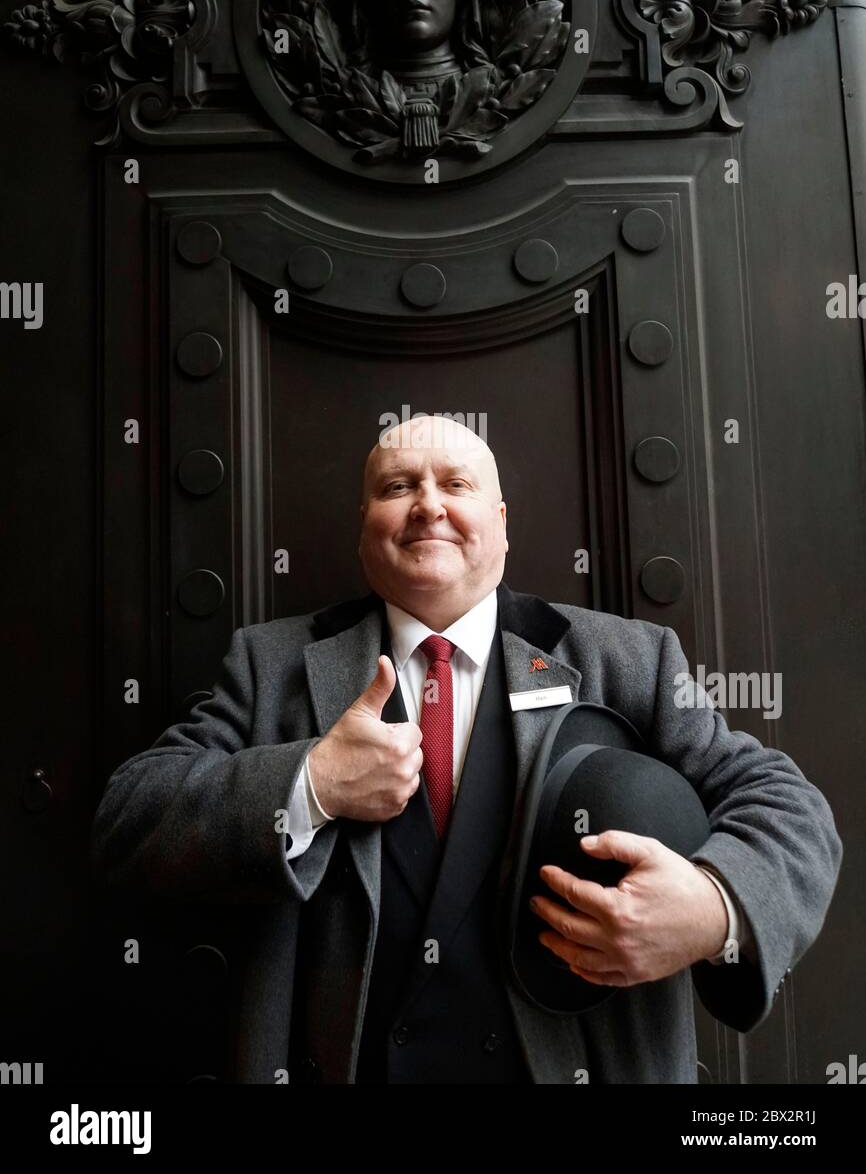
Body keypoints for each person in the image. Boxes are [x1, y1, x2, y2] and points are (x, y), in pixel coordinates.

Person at [90, 415, 842, 1084]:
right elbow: (129, 820)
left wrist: (713, 909)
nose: (428, 505)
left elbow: (791, 809)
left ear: (502, 523)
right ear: (364, 525)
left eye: (456, 483)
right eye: (397, 487)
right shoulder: (269, 665)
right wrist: (311, 782)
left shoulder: (631, 660)